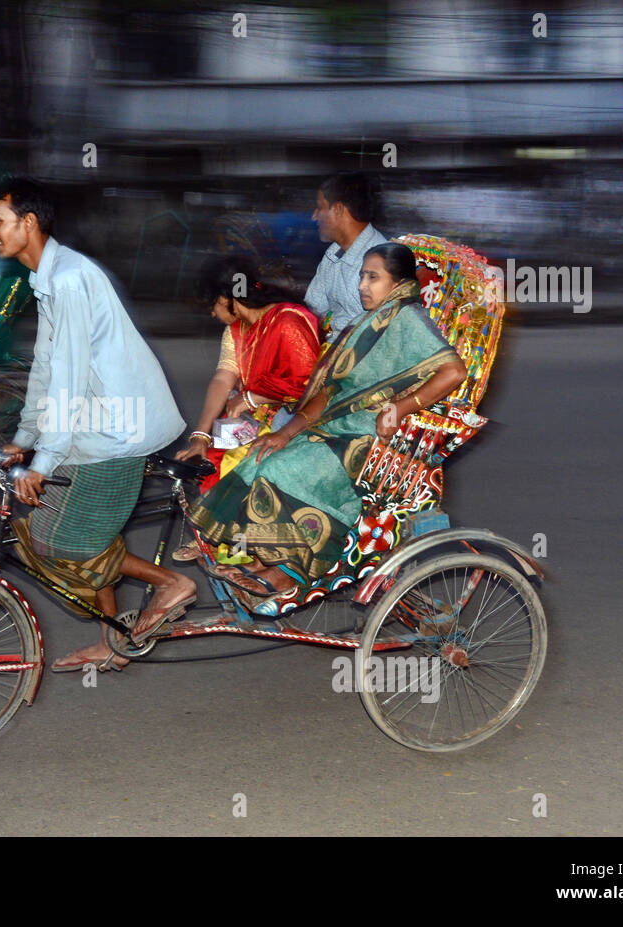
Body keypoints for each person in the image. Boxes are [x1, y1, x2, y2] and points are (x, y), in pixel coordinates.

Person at [0, 174, 195, 672]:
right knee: (50, 533)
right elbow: (46, 368)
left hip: (117, 433)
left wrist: (45, 458)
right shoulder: (49, 279)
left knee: (70, 542)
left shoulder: (70, 279)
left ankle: (173, 585)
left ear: (28, 222)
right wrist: (25, 439)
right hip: (92, 426)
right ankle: (115, 638)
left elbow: (71, 378)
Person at [189, 242, 468, 609]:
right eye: (362, 277)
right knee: (259, 457)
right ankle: (262, 560)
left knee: (284, 470)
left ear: (398, 282)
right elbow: (329, 391)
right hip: (336, 424)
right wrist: (286, 432)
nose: (363, 287)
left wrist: (401, 407)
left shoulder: (407, 319)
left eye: (373, 278)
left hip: (369, 438)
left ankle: (289, 572)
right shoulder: (366, 324)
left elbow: (454, 371)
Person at [175, 253, 321, 500]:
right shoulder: (236, 329)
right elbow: (223, 378)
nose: (213, 314)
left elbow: (310, 385)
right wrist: (200, 435)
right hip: (252, 423)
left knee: (235, 476)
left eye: (212, 306)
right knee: (208, 460)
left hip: (295, 421)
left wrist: (253, 398)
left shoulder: (287, 320)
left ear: (225, 298)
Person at [304, 172, 388, 343]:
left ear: (338, 209)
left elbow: (380, 339)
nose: (314, 216)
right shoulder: (333, 254)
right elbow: (311, 311)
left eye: (320, 208)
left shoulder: (380, 261)